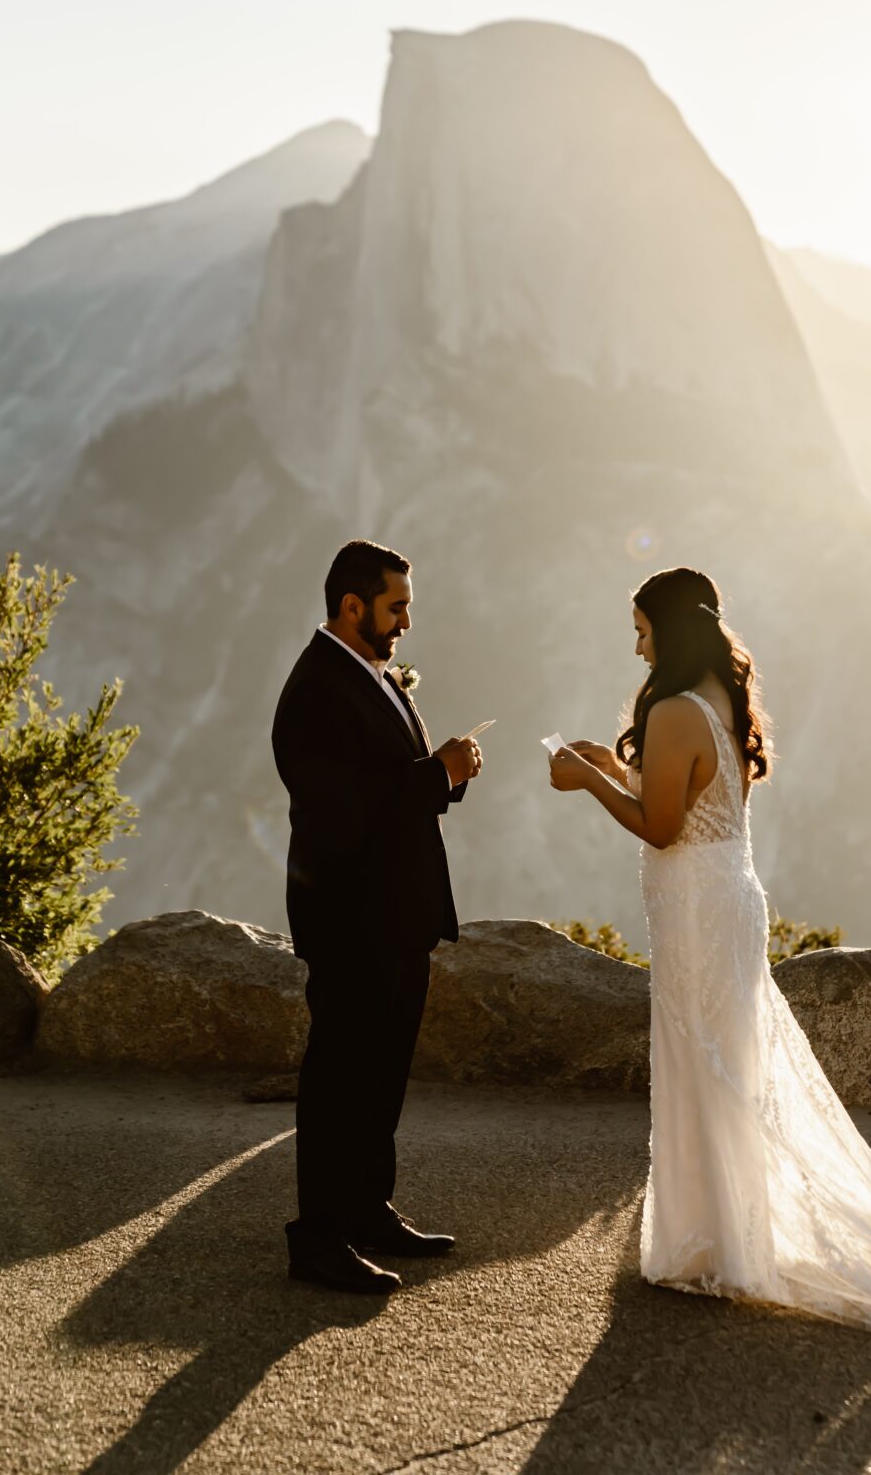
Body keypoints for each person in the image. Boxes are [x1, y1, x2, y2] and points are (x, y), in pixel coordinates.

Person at [548, 564, 871, 1348]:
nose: (635, 646)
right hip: (721, 897)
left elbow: (661, 825)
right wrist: (612, 767)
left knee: (708, 1063)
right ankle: (717, 1242)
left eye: (640, 629)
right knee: (720, 1065)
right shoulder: (716, 699)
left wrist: (585, 781)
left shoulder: (673, 709)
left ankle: (713, 1248)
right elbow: (684, 793)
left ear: (664, 629)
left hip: (699, 908)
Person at [272, 539, 482, 1294]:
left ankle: (367, 1208)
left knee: (381, 1074)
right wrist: (439, 774)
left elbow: (386, 783)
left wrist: (442, 777)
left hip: (396, 919)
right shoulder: (316, 689)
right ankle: (317, 1238)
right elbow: (341, 811)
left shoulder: (368, 676)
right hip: (351, 921)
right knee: (338, 1079)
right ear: (351, 605)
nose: (404, 624)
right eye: (395, 608)